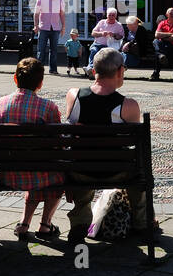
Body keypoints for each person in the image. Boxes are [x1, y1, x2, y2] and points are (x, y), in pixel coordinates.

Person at [62, 47, 156, 244]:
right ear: (120, 71)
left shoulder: (74, 95)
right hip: (116, 172)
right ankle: (142, 222)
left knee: (83, 160)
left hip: (80, 171)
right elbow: (137, 145)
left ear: (94, 70)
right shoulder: (128, 106)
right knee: (139, 170)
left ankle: (80, 223)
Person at [0, 57, 64, 239]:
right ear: (40, 83)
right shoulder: (48, 107)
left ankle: (24, 224)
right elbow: (58, 144)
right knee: (54, 171)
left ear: (15, 78)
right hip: (41, 173)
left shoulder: (0, 104)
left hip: (8, 174)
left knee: (35, 163)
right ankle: (45, 224)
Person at [32, 0, 65, 75]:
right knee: (41, 50)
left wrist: (63, 27)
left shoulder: (60, 0)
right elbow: (36, 13)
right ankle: (39, 70)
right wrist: (35, 25)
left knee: (54, 50)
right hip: (43, 28)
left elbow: (62, 14)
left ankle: (53, 69)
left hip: (55, 28)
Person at [151, 7, 173, 80]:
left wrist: (163, 36)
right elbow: (156, 35)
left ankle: (156, 73)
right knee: (156, 41)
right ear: (167, 15)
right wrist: (169, 34)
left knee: (157, 46)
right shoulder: (162, 23)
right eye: (171, 13)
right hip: (163, 46)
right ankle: (161, 56)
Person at [88, 8, 125, 73]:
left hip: (110, 46)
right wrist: (102, 34)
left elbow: (121, 36)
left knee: (109, 55)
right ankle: (91, 68)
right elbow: (93, 33)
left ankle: (108, 71)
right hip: (98, 44)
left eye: (113, 15)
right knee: (94, 50)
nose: (111, 17)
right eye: (109, 15)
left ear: (116, 16)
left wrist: (114, 35)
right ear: (107, 15)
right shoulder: (101, 22)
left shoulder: (119, 25)